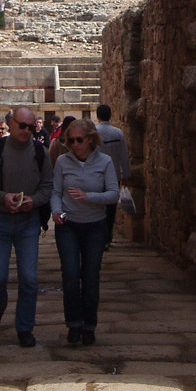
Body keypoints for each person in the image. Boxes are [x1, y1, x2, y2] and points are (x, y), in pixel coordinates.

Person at [0, 106, 52, 347]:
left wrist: (34, 201)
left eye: (30, 127)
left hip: (28, 222)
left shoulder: (41, 153)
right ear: (11, 123)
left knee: (28, 278)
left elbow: (48, 186)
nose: (26, 131)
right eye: (22, 126)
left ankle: (24, 327)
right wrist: (1, 197)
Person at [51, 119, 119, 346]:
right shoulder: (62, 161)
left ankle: (89, 325)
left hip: (94, 226)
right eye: (71, 140)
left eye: (79, 140)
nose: (75, 144)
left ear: (90, 139)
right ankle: (74, 324)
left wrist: (89, 196)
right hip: (69, 225)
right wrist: (56, 211)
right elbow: (56, 191)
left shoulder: (105, 162)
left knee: (90, 277)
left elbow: (113, 194)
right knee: (70, 275)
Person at [95, 103, 131, 247]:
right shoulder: (118, 133)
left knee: (98, 208)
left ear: (98, 116)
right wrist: (126, 174)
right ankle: (107, 238)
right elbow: (124, 156)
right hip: (114, 176)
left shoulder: (94, 133)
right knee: (110, 209)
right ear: (110, 115)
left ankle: (98, 237)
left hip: (96, 176)